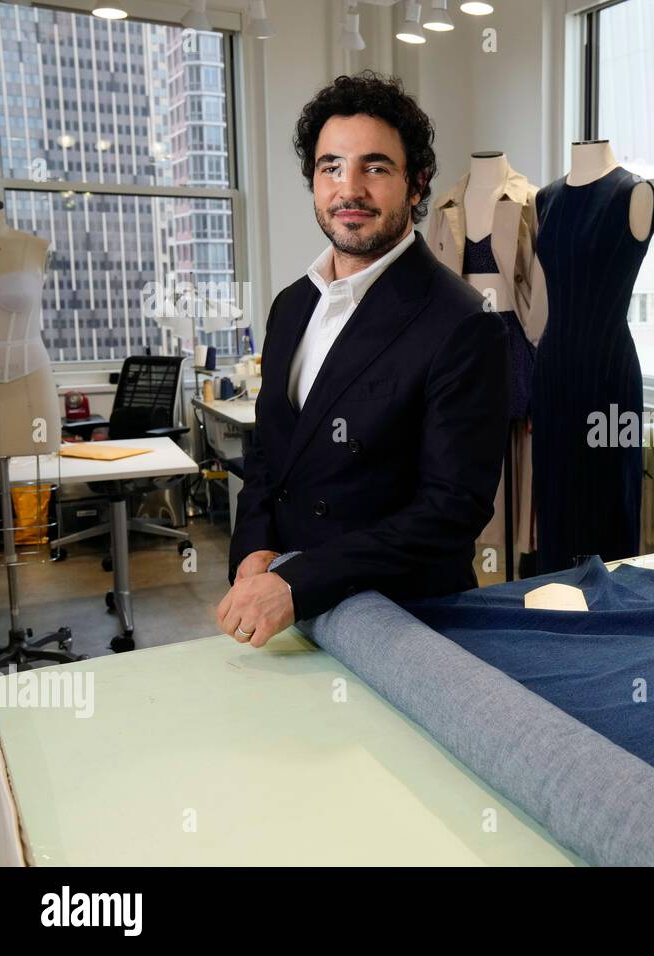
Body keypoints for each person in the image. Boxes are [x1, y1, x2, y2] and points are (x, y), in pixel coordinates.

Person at [216, 71, 508, 648]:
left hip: (405, 621)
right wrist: (253, 550)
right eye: (330, 167)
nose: (349, 189)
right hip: (293, 616)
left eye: (374, 167)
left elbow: (450, 510)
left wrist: (297, 582)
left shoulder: (462, 323)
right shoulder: (291, 305)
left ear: (417, 184)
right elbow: (269, 450)